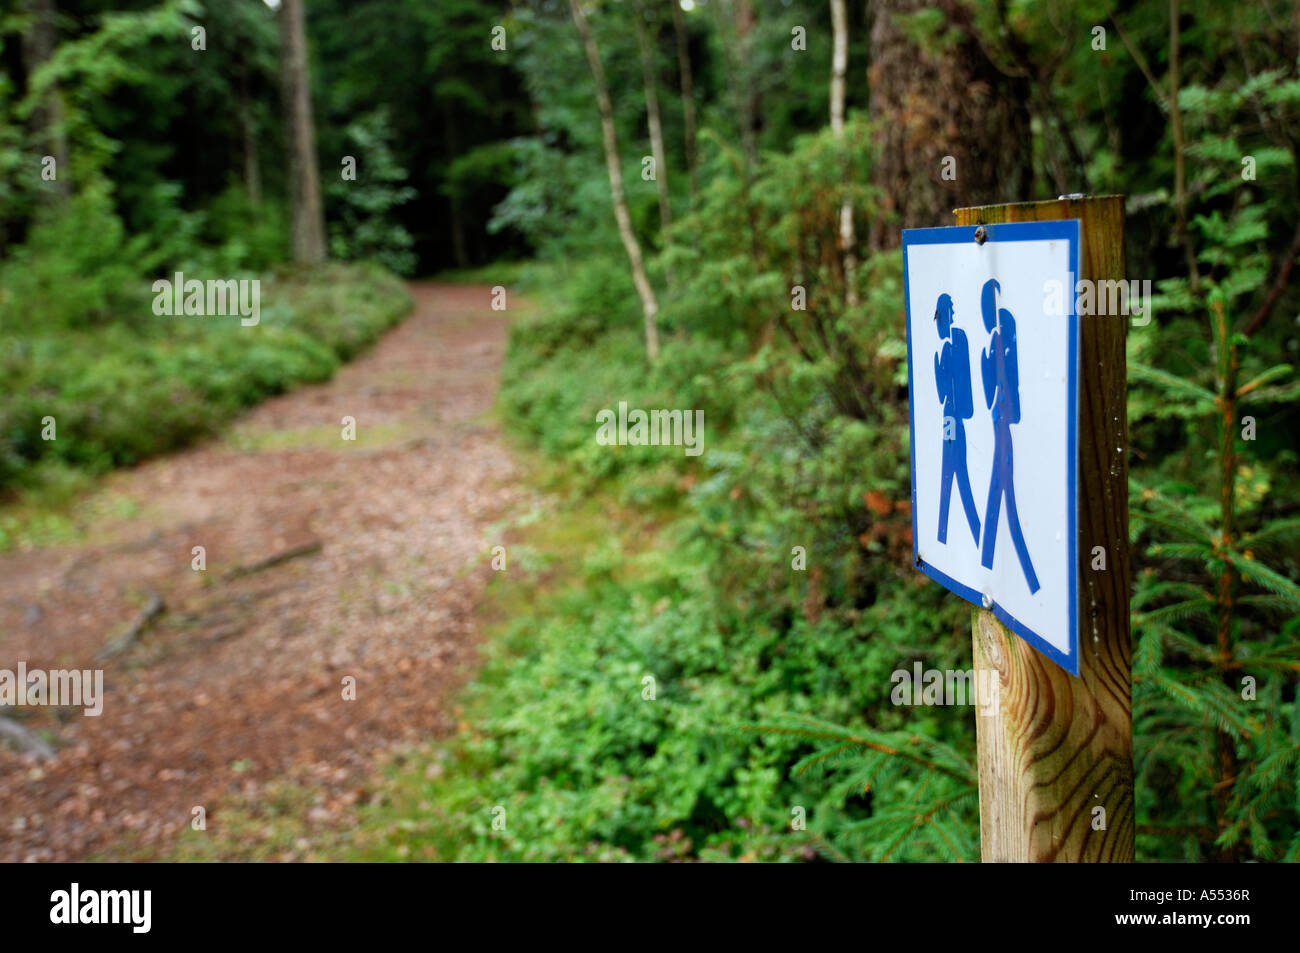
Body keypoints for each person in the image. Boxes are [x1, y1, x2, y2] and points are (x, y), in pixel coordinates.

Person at [978, 279, 1040, 594]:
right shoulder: (991, 345)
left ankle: (988, 554)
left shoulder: (1004, 339)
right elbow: (992, 382)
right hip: (997, 418)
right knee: (1005, 488)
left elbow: (1013, 375)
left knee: (1001, 485)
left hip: (1002, 416)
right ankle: (1023, 574)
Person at [933, 293, 980, 546]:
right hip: (947, 417)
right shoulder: (942, 348)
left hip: (957, 417)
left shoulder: (959, 339)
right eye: (946, 312)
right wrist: (937, 368)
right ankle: (946, 535)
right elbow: (941, 395)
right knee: (950, 474)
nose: (950, 316)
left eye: (951, 311)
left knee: (955, 474)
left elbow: (966, 379)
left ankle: (968, 532)